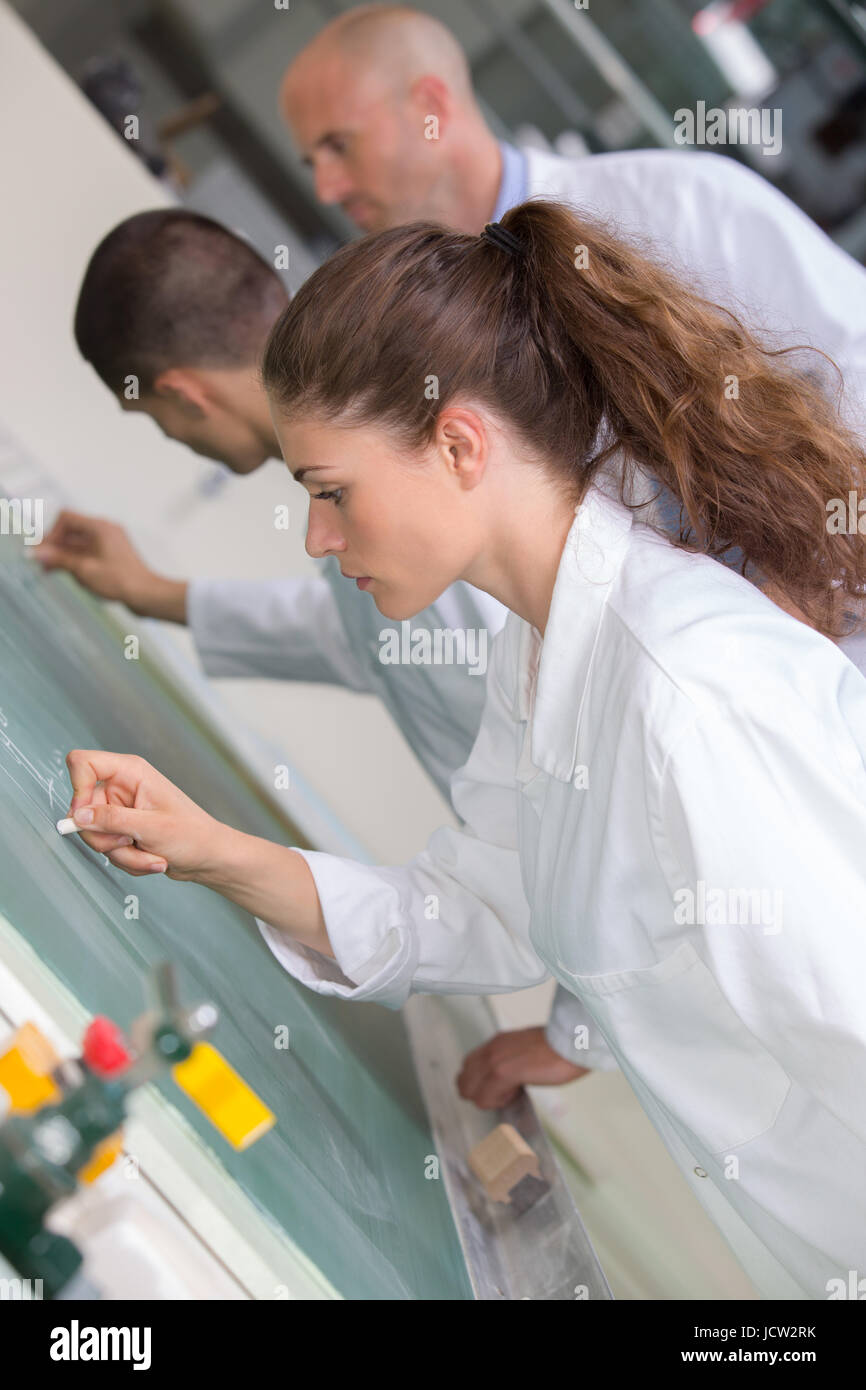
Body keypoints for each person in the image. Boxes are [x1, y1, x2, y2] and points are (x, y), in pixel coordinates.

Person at [62, 201, 866, 1298]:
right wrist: (202, 846)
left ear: (456, 443)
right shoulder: (538, 661)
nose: (317, 538)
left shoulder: (690, 696)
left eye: (330, 494)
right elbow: (476, 907)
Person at [37, 209, 508, 804]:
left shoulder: (413, 470)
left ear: (185, 393)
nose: (174, 441)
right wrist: (151, 591)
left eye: (157, 422)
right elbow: (375, 637)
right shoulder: (366, 467)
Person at [281, 4, 866, 431]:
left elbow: (854, 352)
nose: (326, 189)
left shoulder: (676, 201)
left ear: (430, 108)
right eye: (311, 163)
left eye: (338, 146)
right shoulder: (416, 344)